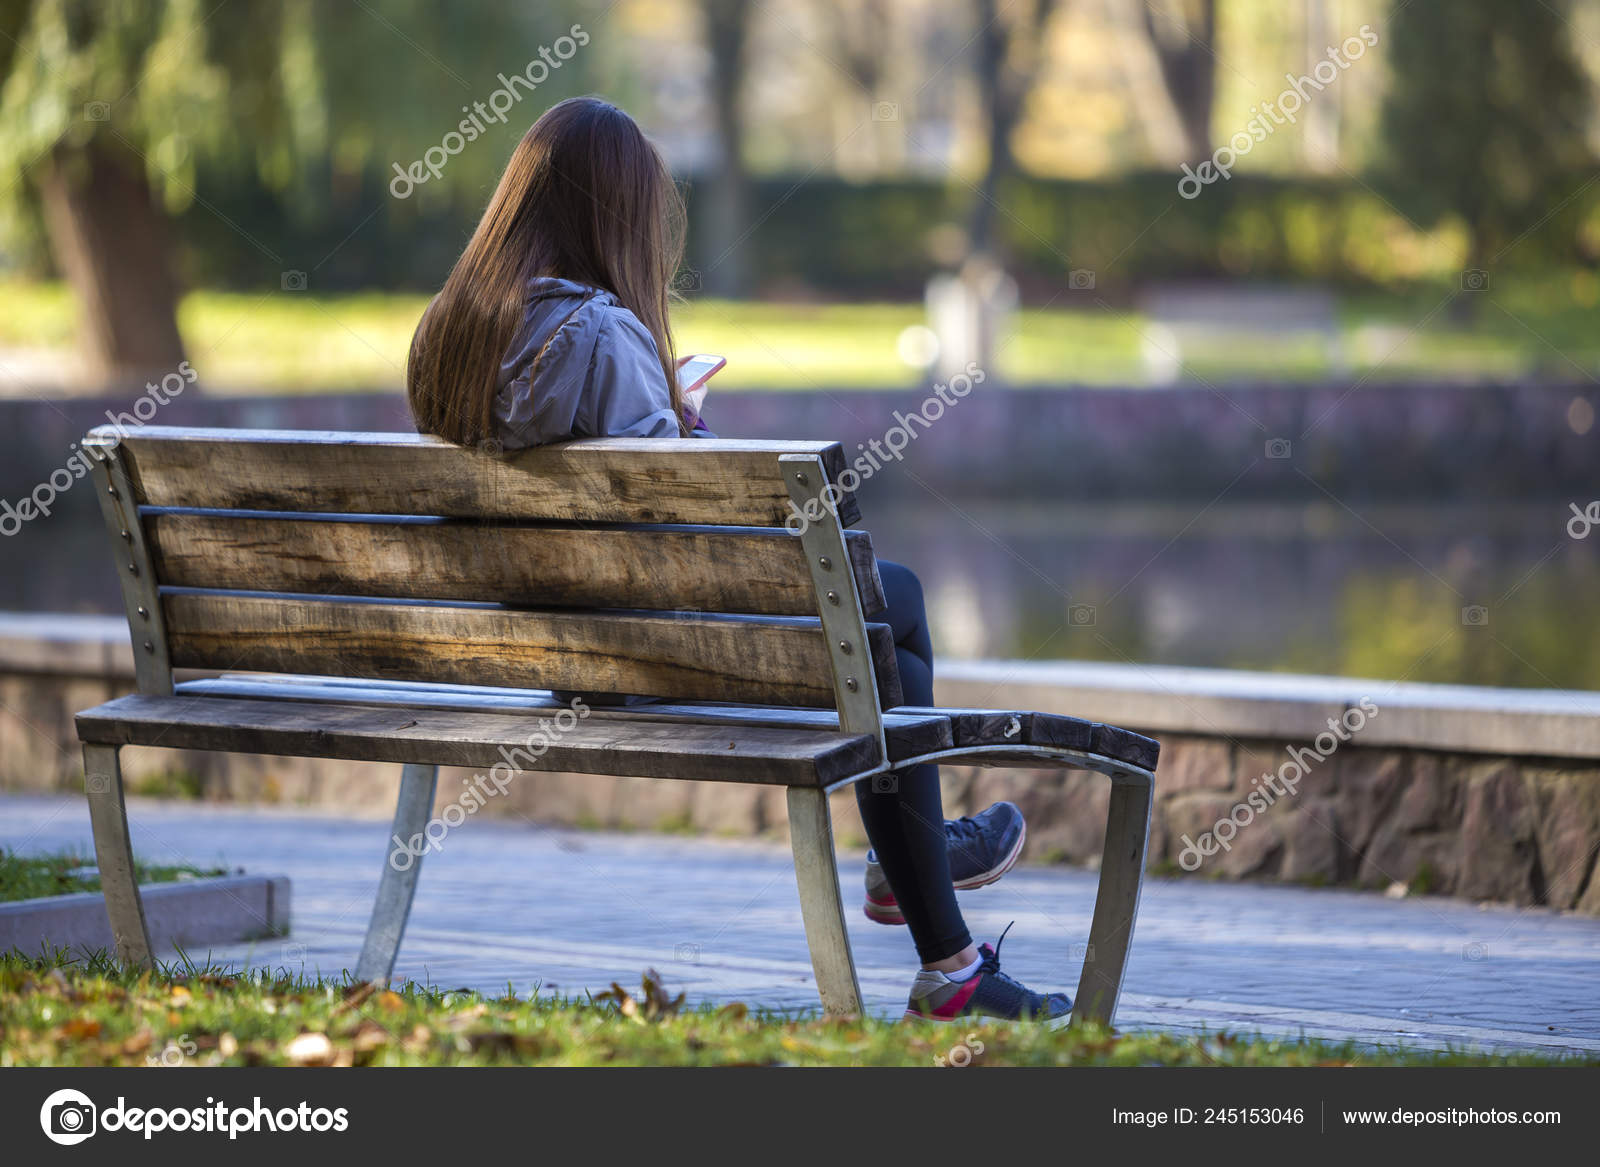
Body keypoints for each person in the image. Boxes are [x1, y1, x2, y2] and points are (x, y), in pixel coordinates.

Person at [407, 95, 1070, 1022]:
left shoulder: (447, 333)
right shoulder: (604, 334)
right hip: (649, 655)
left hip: (544, 652)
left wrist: (660, 423)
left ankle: (934, 918)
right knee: (898, 606)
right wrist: (688, 426)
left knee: (885, 629)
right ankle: (917, 880)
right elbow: (680, 538)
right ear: (614, 217)